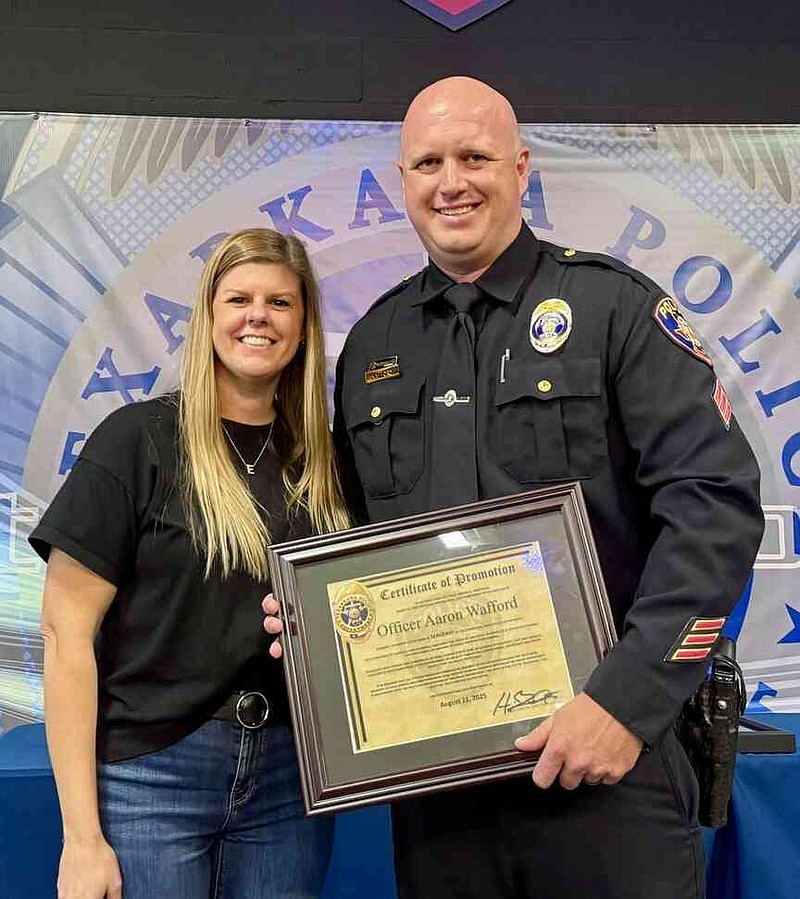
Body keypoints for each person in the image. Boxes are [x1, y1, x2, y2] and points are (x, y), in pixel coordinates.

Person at [268, 77, 764, 898]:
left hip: (607, 764)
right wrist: (313, 621)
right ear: (403, 181)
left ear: (522, 168)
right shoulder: (373, 345)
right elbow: (354, 536)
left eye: (475, 157)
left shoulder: (613, 308)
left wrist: (624, 703)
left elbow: (716, 509)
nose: (451, 182)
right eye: (429, 163)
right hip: (440, 790)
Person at [31, 228, 350, 899]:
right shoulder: (137, 441)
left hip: (291, 780)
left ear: (304, 327)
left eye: (280, 302)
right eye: (238, 299)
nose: (258, 316)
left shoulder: (326, 464)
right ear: (208, 316)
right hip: (150, 776)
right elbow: (65, 636)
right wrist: (81, 838)